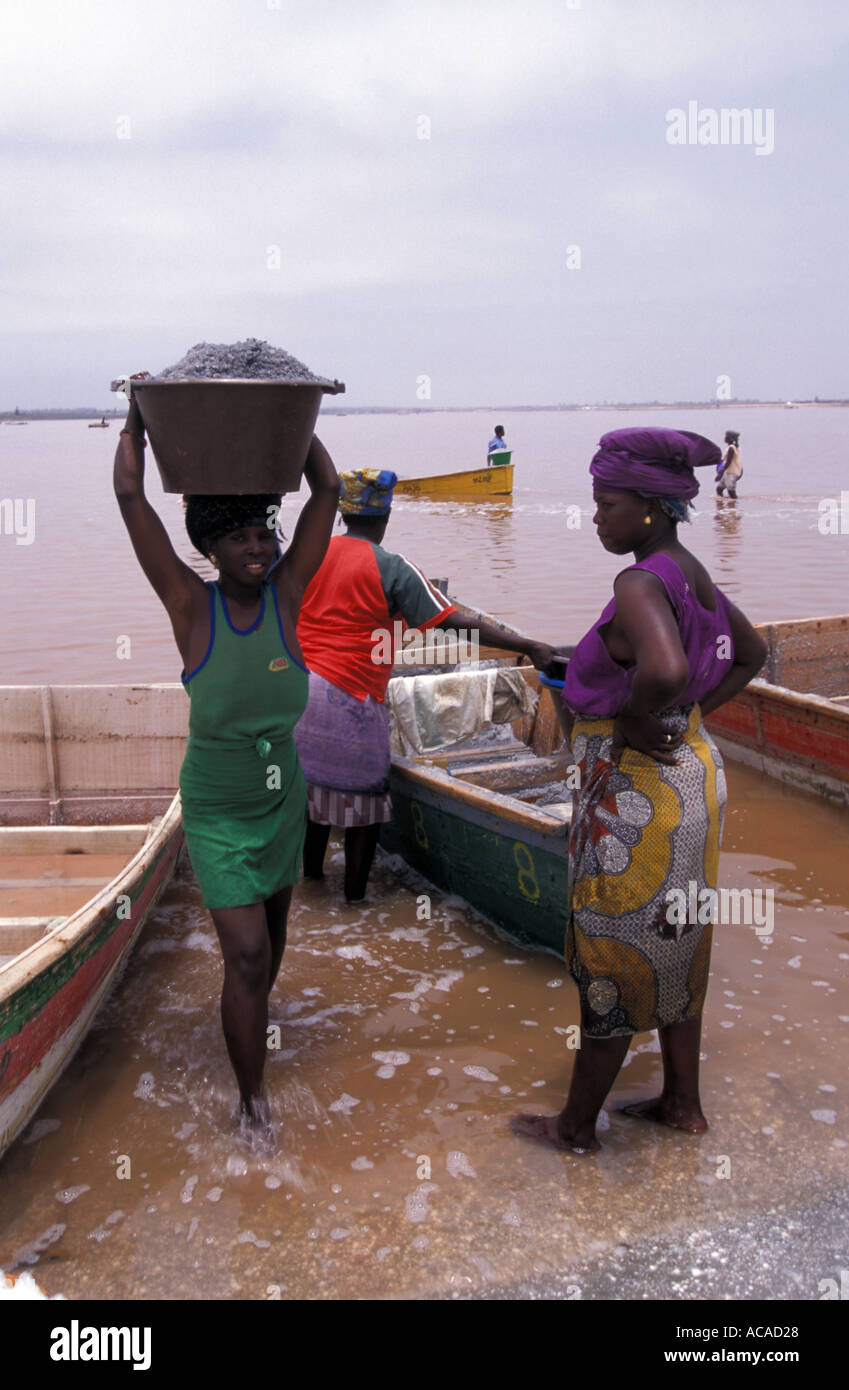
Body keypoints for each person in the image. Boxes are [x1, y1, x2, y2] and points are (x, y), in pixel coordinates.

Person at [512, 427, 767, 1155]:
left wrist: (630, 715)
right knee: (679, 938)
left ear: (649, 509)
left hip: (636, 796)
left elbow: (657, 665)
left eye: (605, 504)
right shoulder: (692, 573)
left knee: (612, 947)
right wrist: (684, 717)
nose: (595, 518)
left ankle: (572, 1127)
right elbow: (747, 653)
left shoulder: (637, 581)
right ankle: (681, 1103)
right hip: (691, 773)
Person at [113, 388, 339, 1136]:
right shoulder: (189, 605)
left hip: (280, 797)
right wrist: (139, 420)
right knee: (244, 953)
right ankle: (251, 1103)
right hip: (216, 806)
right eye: (238, 540)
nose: (257, 551)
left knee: (266, 948)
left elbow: (328, 492)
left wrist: (290, 418)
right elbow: (128, 496)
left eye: (262, 536)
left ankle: (248, 1025)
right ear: (208, 550)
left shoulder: (288, 595)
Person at [294, 467, 554, 902]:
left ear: (342, 514)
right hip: (351, 700)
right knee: (363, 810)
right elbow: (456, 622)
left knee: (315, 802)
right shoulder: (392, 568)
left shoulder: (310, 555)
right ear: (386, 517)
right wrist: (527, 644)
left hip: (300, 699)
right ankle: (354, 904)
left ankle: (312, 884)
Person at [716, 430, 742, 497]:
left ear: (730, 439)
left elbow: (728, 462)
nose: (725, 438)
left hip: (732, 473)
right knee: (719, 489)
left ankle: (734, 505)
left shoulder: (731, 448)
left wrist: (720, 473)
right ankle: (725, 505)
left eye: (726, 437)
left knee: (731, 491)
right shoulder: (733, 447)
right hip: (728, 472)